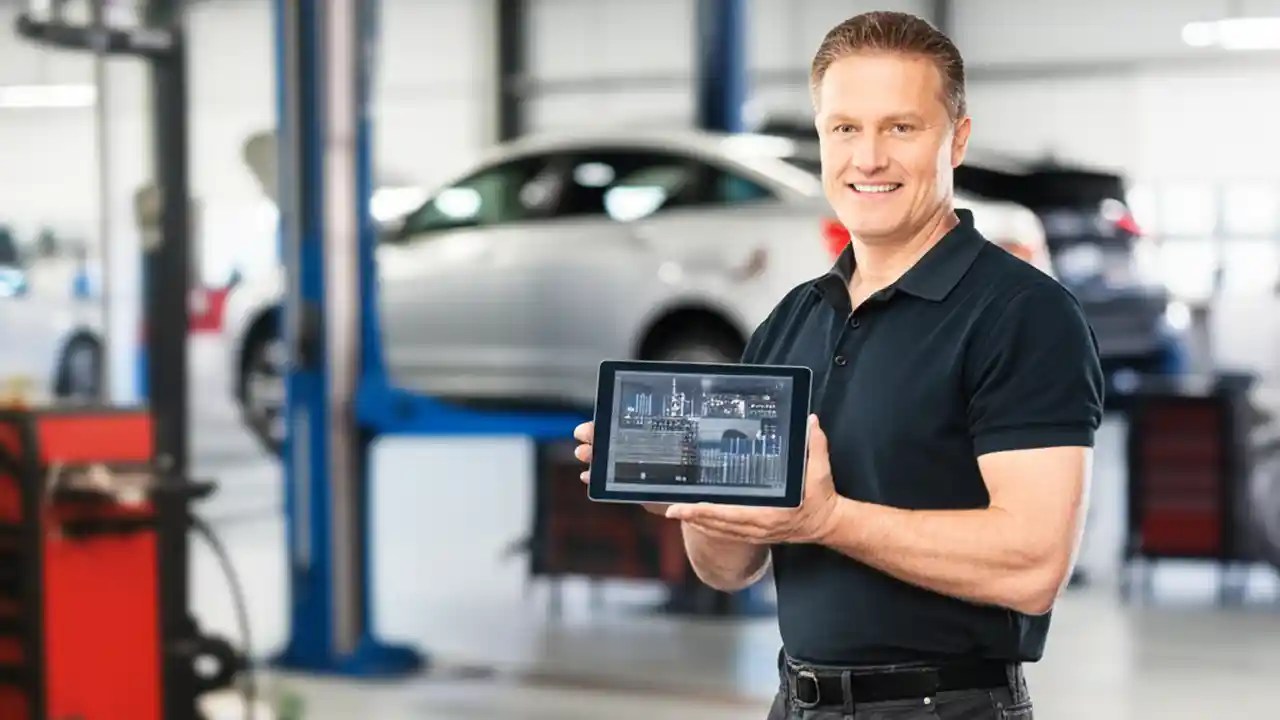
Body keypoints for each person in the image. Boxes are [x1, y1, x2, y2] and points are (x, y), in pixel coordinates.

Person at [574, 10, 1102, 719]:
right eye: (845, 128)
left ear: (957, 140)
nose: (868, 158)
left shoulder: (1022, 314)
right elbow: (728, 569)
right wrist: (689, 499)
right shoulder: (792, 319)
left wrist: (828, 521)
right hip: (799, 701)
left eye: (900, 128)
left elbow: (1034, 565)